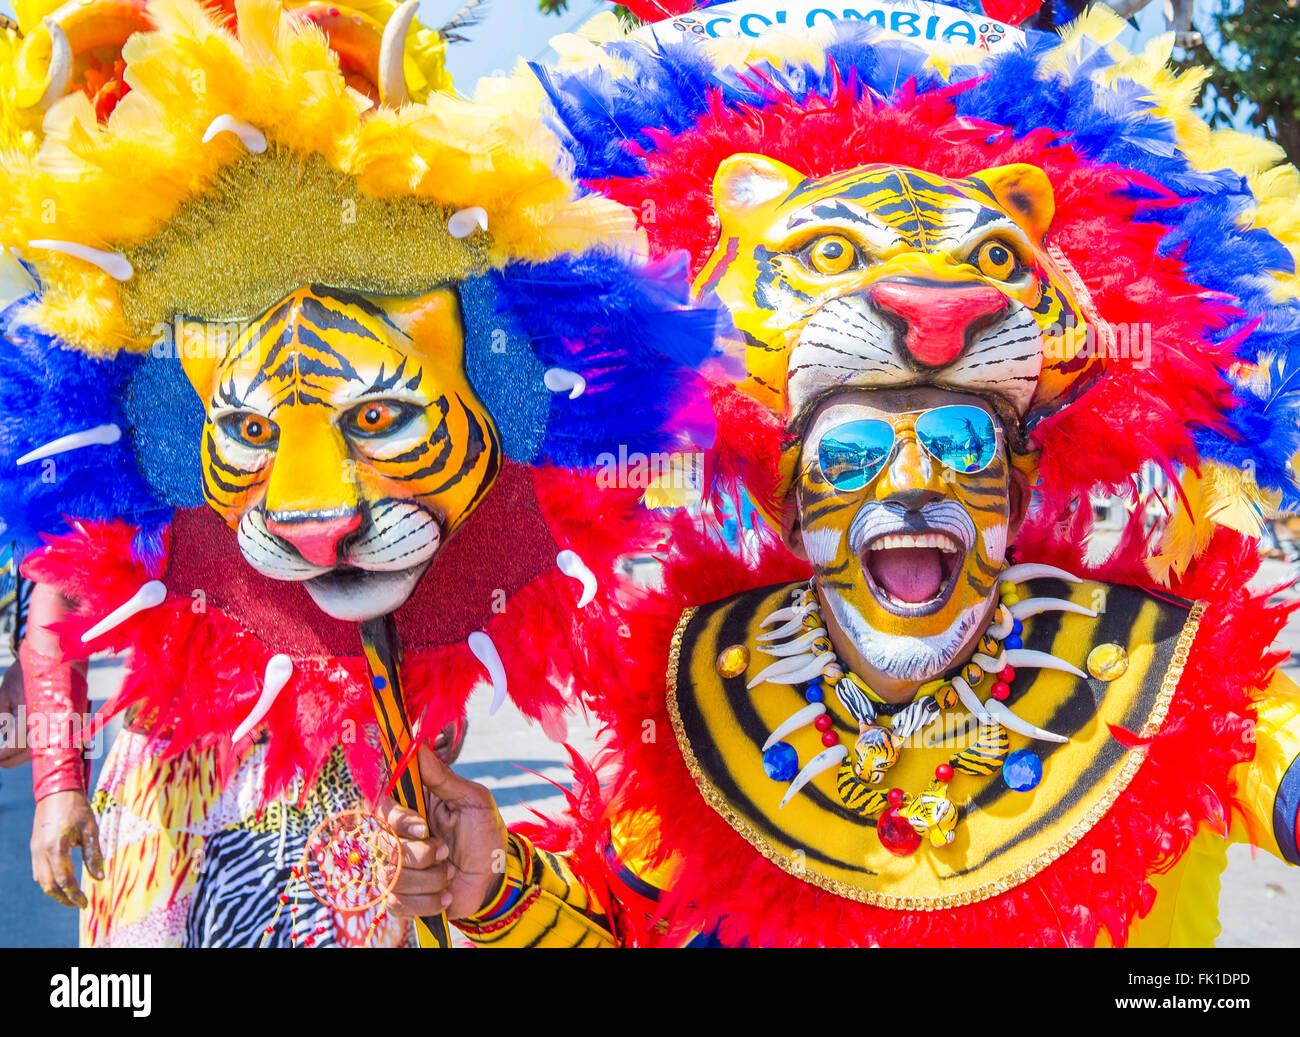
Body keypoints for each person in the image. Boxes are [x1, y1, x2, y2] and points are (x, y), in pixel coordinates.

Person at [385, 0, 1300, 946]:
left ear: (1021, 483)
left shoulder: (1166, 670)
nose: (907, 484)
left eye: (958, 447)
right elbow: (625, 930)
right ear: (791, 506)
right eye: (854, 456)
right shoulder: (700, 690)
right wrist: (495, 889)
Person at [0, 0, 712, 946]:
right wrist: (58, 786)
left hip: (368, 780)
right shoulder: (136, 392)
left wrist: (437, 696)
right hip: (169, 786)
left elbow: (523, 528)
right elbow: (57, 594)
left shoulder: (447, 337)